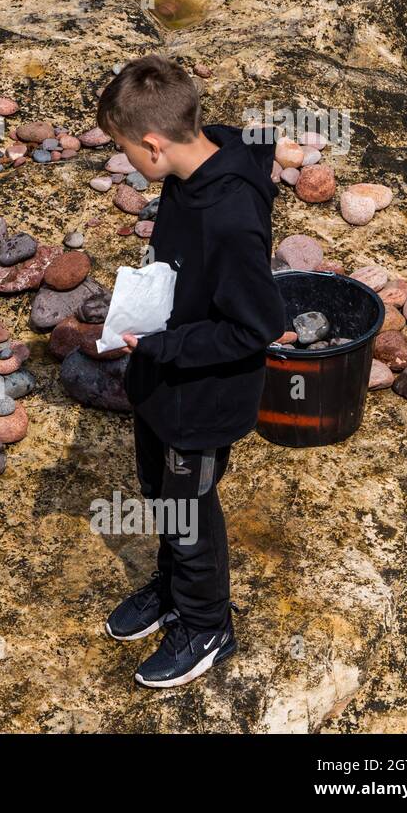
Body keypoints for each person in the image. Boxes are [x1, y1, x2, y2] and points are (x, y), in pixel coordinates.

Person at [95, 55, 284, 688]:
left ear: (153, 143)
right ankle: (174, 587)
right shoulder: (205, 153)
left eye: (125, 151)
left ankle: (207, 625)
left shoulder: (226, 218)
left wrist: (155, 345)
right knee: (159, 489)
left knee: (190, 511)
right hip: (163, 382)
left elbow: (256, 325)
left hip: (202, 397)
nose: (126, 163)